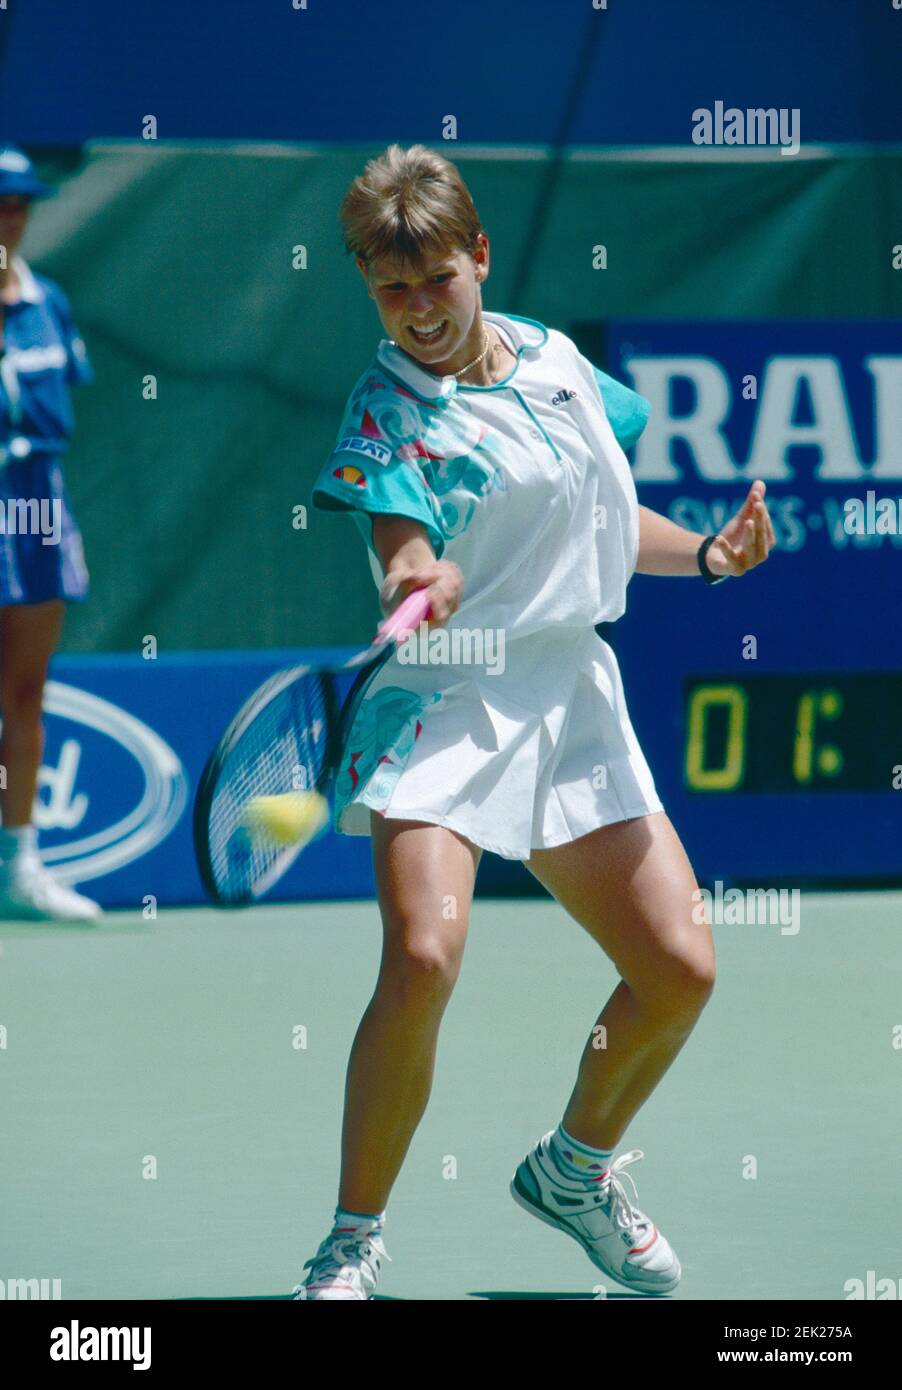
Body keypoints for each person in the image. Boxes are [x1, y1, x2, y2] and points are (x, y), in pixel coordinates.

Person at [297, 144, 774, 1300]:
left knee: (677, 968)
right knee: (423, 953)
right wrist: (421, 582)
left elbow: (599, 524)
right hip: (446, 696)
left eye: (433, 281)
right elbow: (399, 550)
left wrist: (707, 555)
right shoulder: (387, 409)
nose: (414, 311)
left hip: (568, 692)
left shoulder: (561, 365)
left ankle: (573, 1169)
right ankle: (348, 1244)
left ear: (479, 257)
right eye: (387, 289)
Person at [0, 147, 101, 920]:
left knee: (25, 690)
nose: (12, 217)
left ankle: (19, 868)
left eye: (21, 204)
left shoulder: (49, 302)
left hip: (38, 514)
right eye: (1, 203)